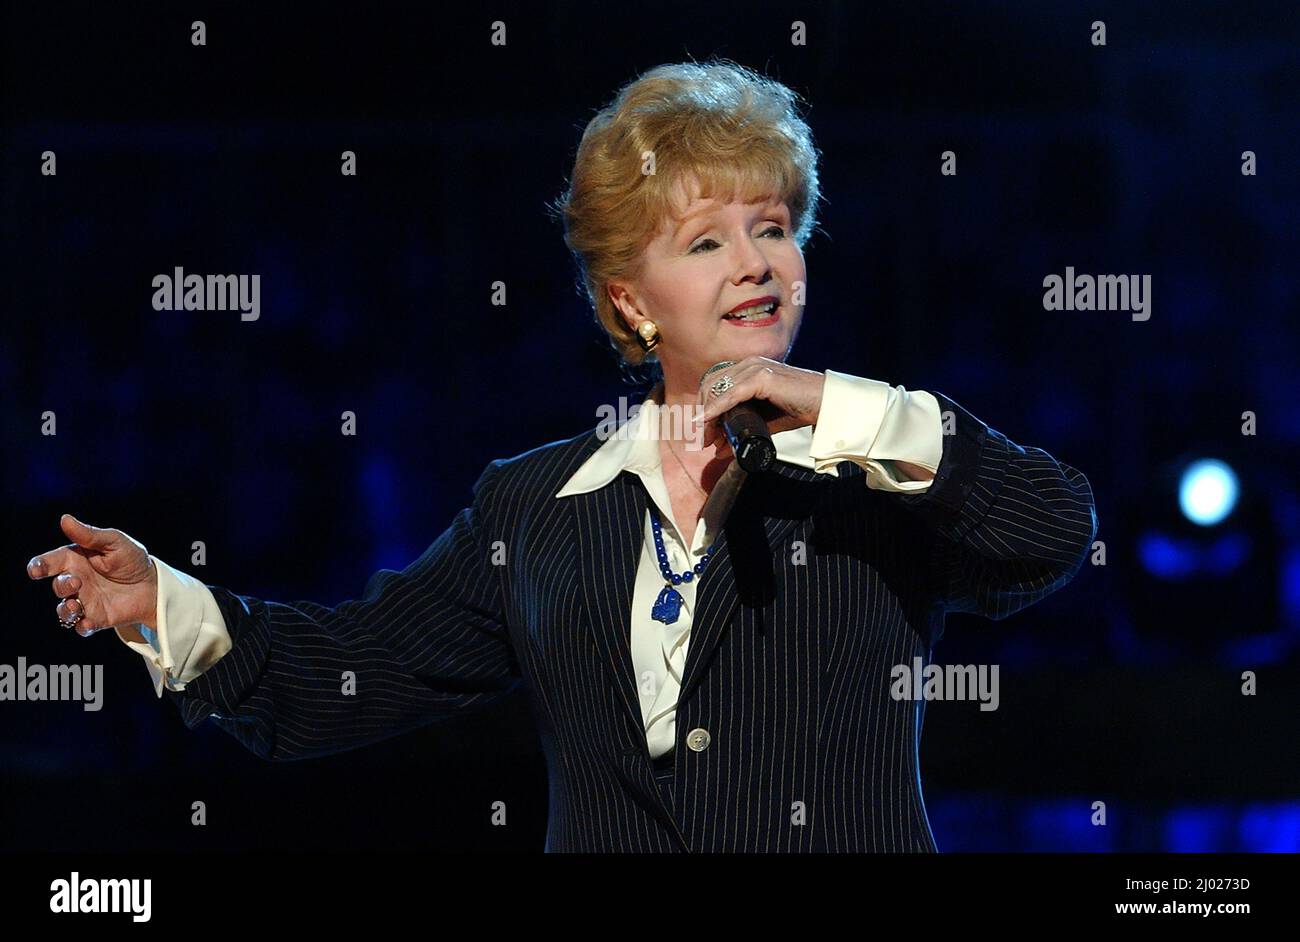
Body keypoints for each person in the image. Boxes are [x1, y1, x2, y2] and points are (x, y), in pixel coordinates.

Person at [25, 59, 1097, 852]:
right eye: (707, 241)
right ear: (630, 300)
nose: (756, 264)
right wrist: (164, 603)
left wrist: (843, 413)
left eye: (773, 228)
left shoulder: (873, 473)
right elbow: (352, 671)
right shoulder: (536, 506)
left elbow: (1050, 532)